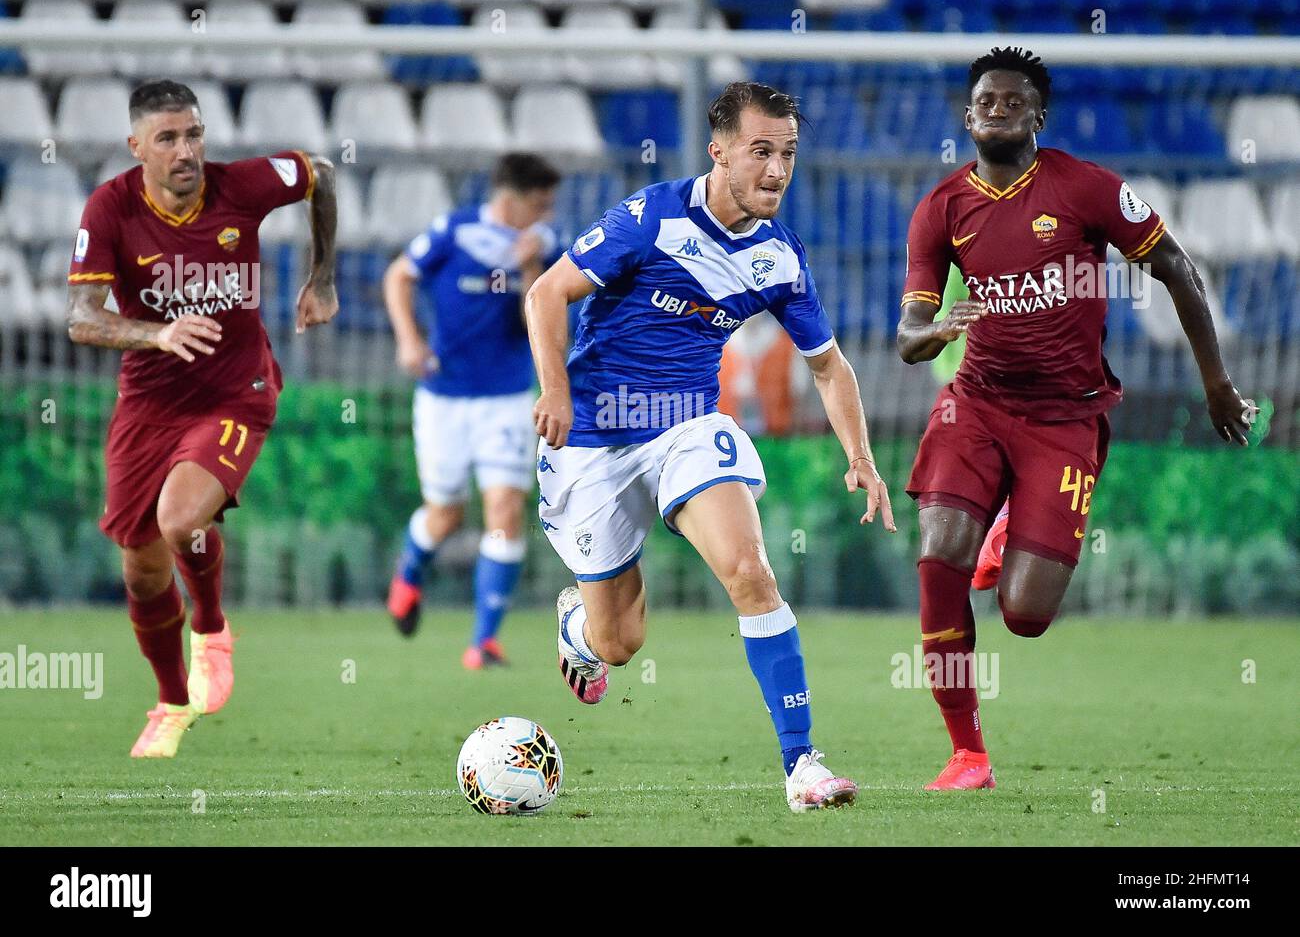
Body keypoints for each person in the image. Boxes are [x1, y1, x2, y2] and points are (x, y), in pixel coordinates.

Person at [526, 82, 896, 811]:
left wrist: (861, 455)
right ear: (718, 150)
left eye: (788, 153)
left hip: (689, 427)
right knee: (620, 643)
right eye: (761, 151)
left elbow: (827, 364)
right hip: (593, 440)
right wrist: (556, 391)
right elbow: (544, 294)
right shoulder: (651, 218)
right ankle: (578, 625)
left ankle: (802, 764)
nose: (777, 169)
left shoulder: (779, 258)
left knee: (751, 571)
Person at [897, 47, 1254, 790]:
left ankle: (1008, 525)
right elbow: (907, 336)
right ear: (967, 117)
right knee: (938, 554)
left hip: (1065, 419)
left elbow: (1177, 268)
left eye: (1013, 101)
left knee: (1025, 614)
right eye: (985, 101)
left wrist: (1216, 384)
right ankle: (967, 753)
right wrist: (934, 332)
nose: (998, 110)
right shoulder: (940, 209)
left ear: (1038, 117)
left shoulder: (1086, 188)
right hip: (977, 402)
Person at [66, 80, 337, 757]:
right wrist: (155, 335)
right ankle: (171, 699)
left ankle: (212, 629)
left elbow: (319, 174)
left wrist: (322, 274)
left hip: (236, 389)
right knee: (141, 570)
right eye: (167, 138)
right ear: (136, 147)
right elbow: (81, 320)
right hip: (149, 403)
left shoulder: (242, 185)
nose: (185, 150)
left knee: (181, 518)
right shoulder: (110, 209)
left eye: (193, 134)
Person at [383, 153, 562, 670]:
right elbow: (399, 276)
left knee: (504, 509)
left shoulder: (548, 246)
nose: (547, 214)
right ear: (511, 200)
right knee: (446, 513)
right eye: (540, 204)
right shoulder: (453, 231)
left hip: (506, 398)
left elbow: (541, 313)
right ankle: (410, 570)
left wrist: (530, 263)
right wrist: (409, 340)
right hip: (442, 398)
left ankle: (483, 641)